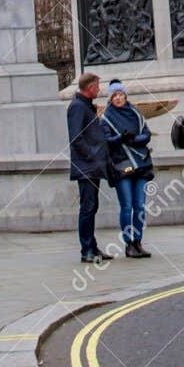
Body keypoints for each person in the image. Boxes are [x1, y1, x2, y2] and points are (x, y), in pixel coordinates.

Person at [100, 83, 154, 258]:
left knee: (139, 206)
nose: (117, 98)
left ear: (125, 96)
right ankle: (128, 243)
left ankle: (138, 241)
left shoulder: (136, 114)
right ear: (110, 98)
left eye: (120, 94)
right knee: (127, 206)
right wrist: (120, 138)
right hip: (121, 166)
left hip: (141, 165)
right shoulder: (106, 117)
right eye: (114, 95)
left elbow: (147, 134)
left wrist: (134, 139)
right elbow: (106, 140)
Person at [67, 72, 107, 265]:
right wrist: (92, 154)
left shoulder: (85, 106)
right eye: (97, 86)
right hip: (86, 166)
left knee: (93, 206)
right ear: (89, 87)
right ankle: (86, 249)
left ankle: (92, 245)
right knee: (87, 207)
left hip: (92, 166)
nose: (99, 89)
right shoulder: (77, 107)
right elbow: (76, 138)